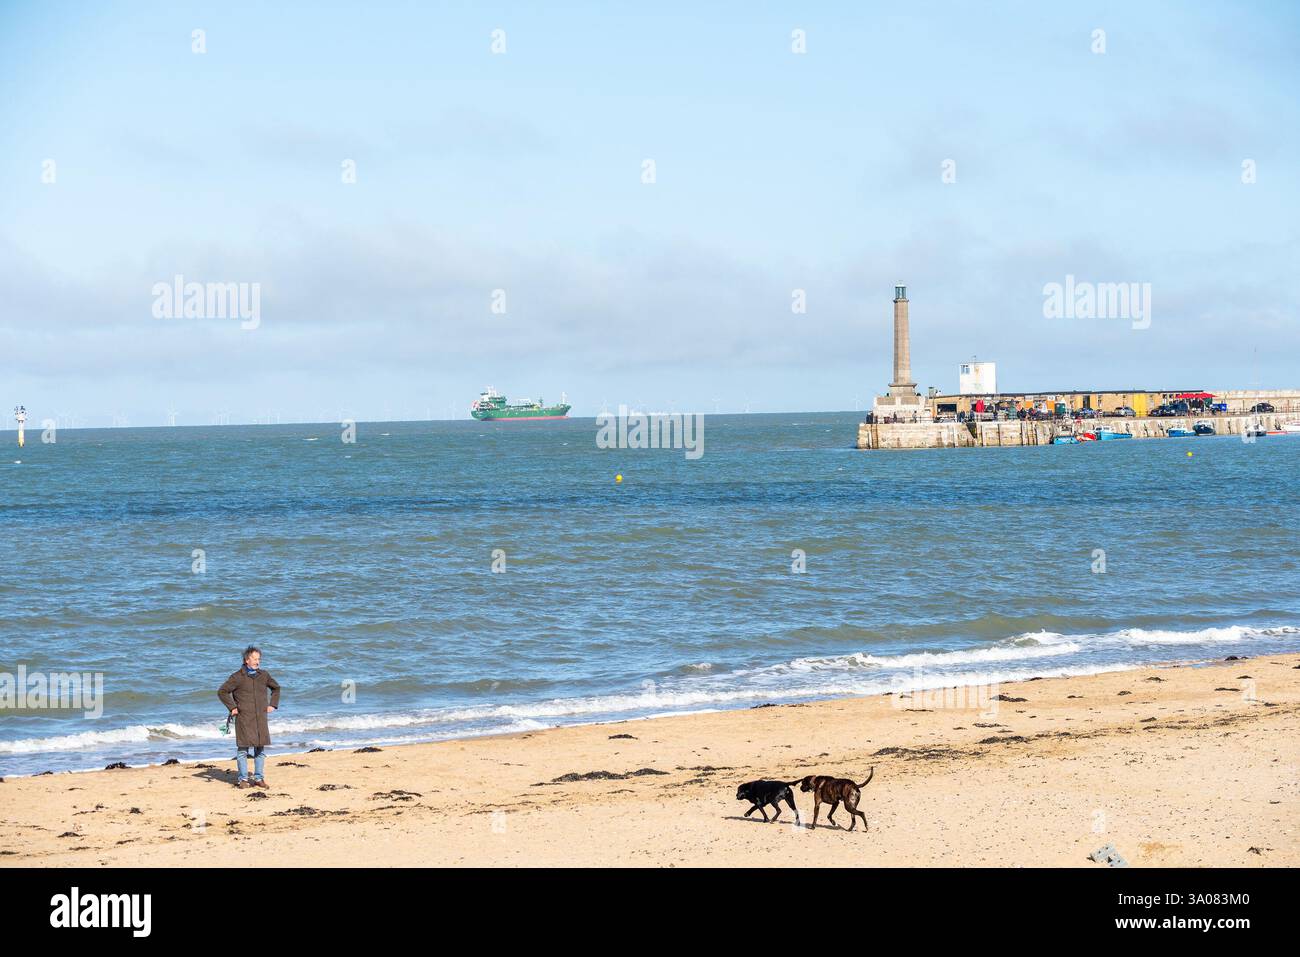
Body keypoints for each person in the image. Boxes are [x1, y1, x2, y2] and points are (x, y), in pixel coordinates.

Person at [218, 646, 281, 789]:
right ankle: (243, 780)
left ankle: (259, 778)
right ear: (247, 660)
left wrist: (273, 704)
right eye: (254, 659)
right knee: (242, 751)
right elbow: (222, 692)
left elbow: (276, 688)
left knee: (260, 750)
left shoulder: (263, 675)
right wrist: (232, 707)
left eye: (259, 659)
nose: (257, 662)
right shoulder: (237, 677)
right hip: (244, 718)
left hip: (260, 718)